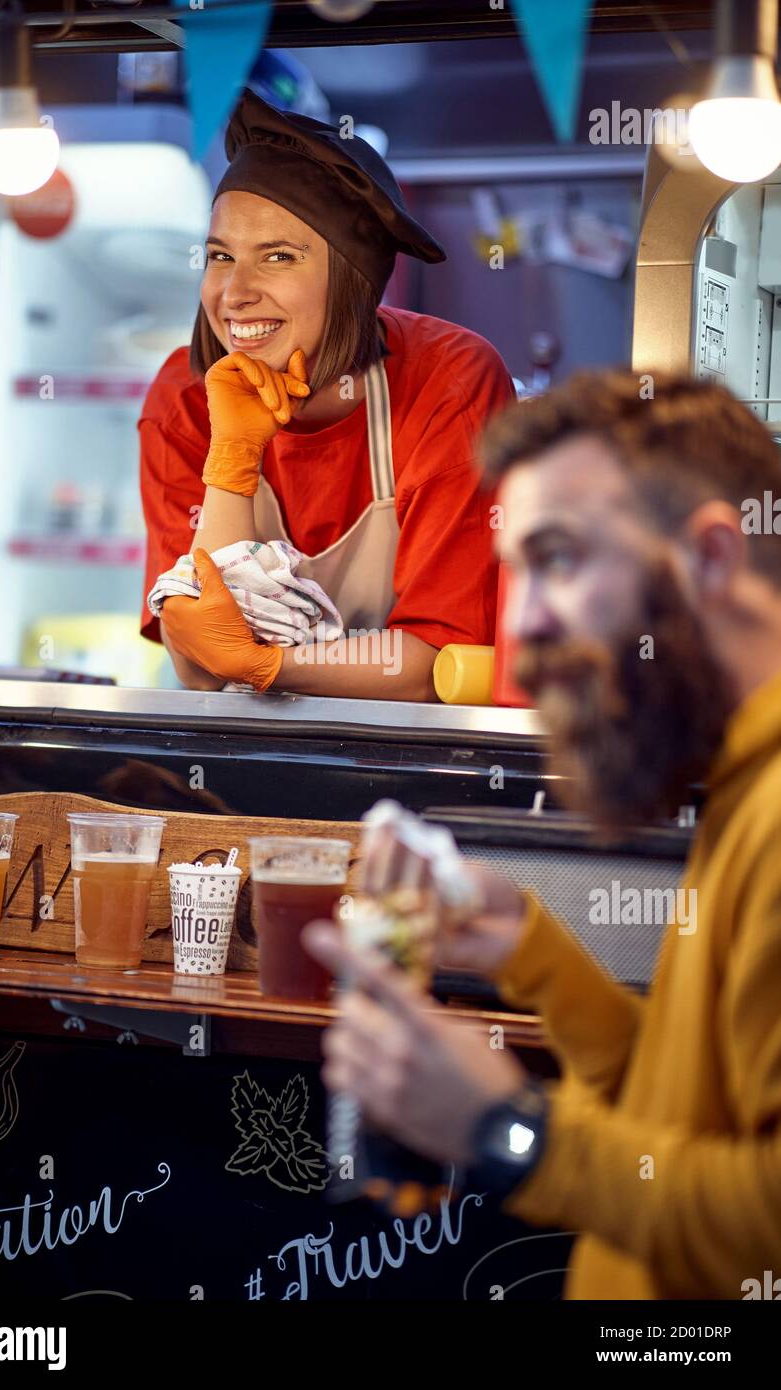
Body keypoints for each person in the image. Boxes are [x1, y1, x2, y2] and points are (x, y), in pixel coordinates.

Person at [304, 370, 781, 1299]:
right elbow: (689, 1110)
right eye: (512, 572)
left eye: (557, 559)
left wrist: (507, 1133)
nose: (518, 630)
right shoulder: (741, 780)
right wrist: (532, 951)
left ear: (714, 558)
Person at [138, 89, 514, 700]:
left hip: (414, 758)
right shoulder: (184, 395)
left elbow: (442, 660)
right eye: (220, 255)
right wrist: (233, 453)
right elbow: (199, 664)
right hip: (224, 751)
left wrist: (267, 669)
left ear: (352, 281)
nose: (234, 292)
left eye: (278, 257)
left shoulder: (449, 380)